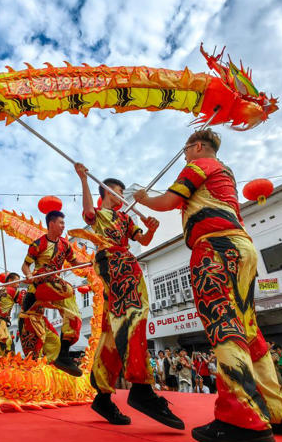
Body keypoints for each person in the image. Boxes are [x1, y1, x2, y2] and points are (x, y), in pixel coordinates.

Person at [134, 128, 282, 442]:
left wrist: (143, 199)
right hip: (241, 247)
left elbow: (169, 200)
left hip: (215, 249)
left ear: (198, 146)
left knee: (223, 324)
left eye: (186, 149)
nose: (183, 155)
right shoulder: (224, 172)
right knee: (248, 329)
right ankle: (278, 411)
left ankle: (241, 416)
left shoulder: (200, 166)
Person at [75, 165, 184, 428]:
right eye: (117, 191)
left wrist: (153, 228)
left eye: (123, 192)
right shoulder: (100, 215)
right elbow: (88, 212)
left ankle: (101, 394)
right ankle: (141, 388)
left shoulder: (126, 219)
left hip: (127, 261)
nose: (121, 195)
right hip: (113, 263)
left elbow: (144, 241)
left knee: (114, 329)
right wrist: (83, 179)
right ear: (105, 192)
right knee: (133, 315)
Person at [21, 210, 83, 376]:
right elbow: (25, 266)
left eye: (64, 223)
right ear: (51, 224)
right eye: (61, 223)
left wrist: (90, 263)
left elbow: (75, 262)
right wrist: (28, 275)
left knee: (74, 315)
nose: (63, 226)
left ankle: (63, 355)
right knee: (33, 344)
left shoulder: (65, 245)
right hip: (39, 286)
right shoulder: (37, 244)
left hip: (56, 284)